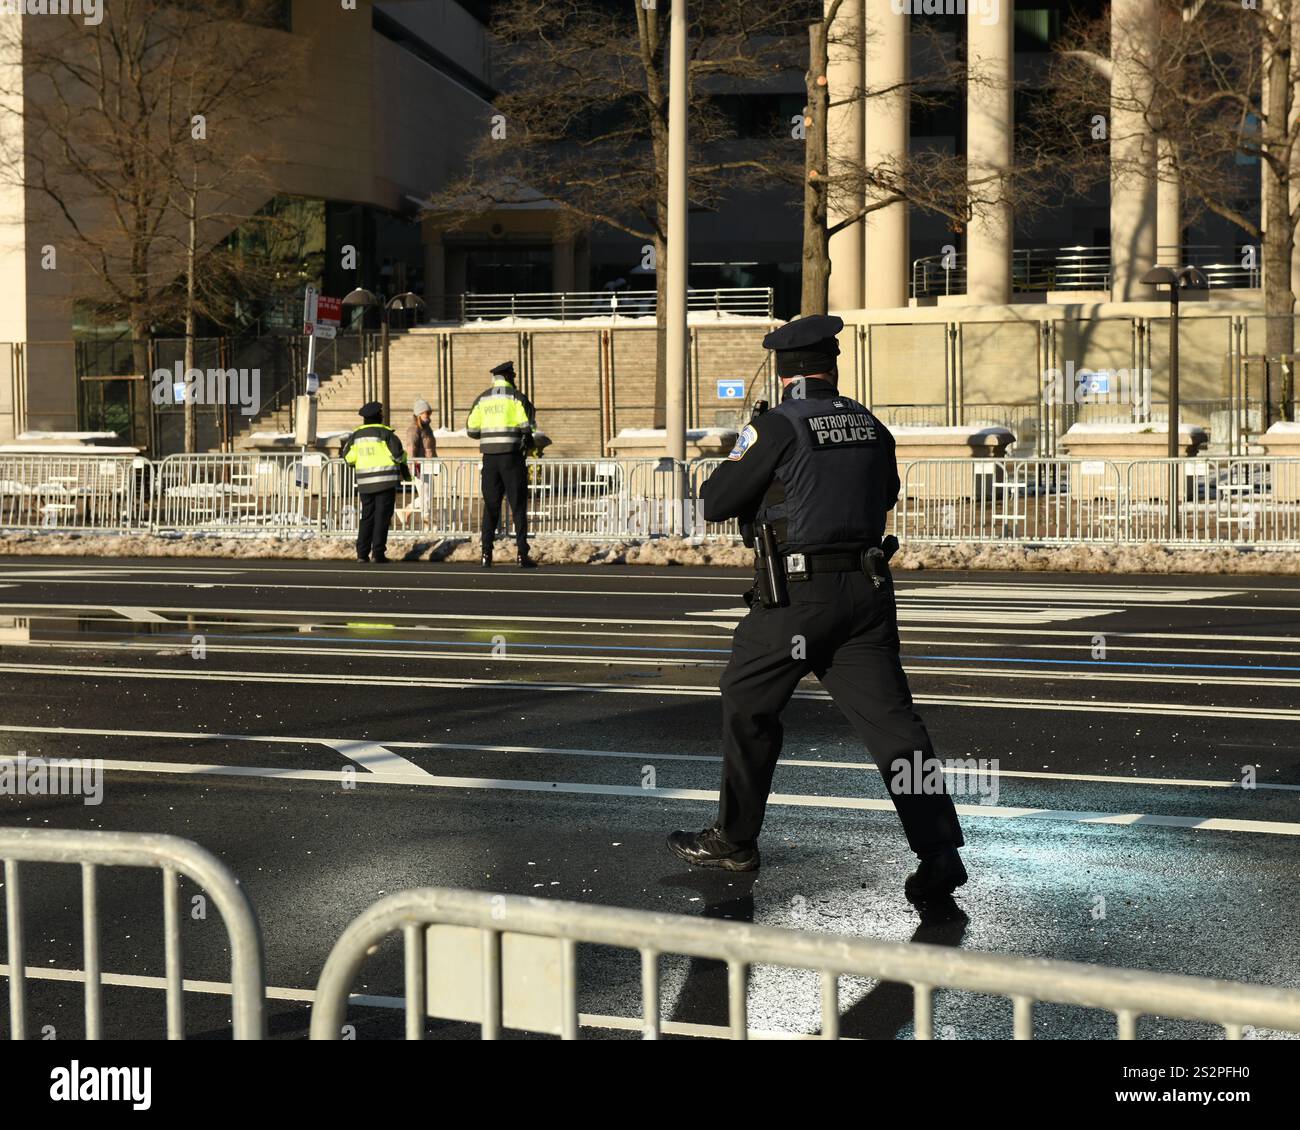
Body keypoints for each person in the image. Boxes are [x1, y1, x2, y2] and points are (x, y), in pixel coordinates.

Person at [666, 314, 967, 904]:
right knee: (895, 729)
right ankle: (939, 852)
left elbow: (715, 502)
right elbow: (886, 495)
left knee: (747, 705)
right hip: (866, 595)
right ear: (831, 368)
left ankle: (736, 838)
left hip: (795, 600)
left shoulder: (777, 426)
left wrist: (743, 455)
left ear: (784, 374)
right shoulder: (870, 424)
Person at [466, 360, 538, 568]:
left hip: (489, 459)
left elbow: (471, 430)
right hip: (511, 457)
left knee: (491, 506)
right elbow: (527, 425)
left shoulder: (482, 399)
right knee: (518, 506)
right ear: (509, 377)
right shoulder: (516, 397)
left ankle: (486, 555)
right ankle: (522, 555)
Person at [340, 400, 409, 564]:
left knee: (367, 517)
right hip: (385, 482)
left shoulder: (356, 436)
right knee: (382, 517)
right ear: (379, 416)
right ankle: (378, 553)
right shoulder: (385, 434)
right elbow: (398, 455)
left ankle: (362, 554)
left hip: (365, 484)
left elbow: (348, 458)